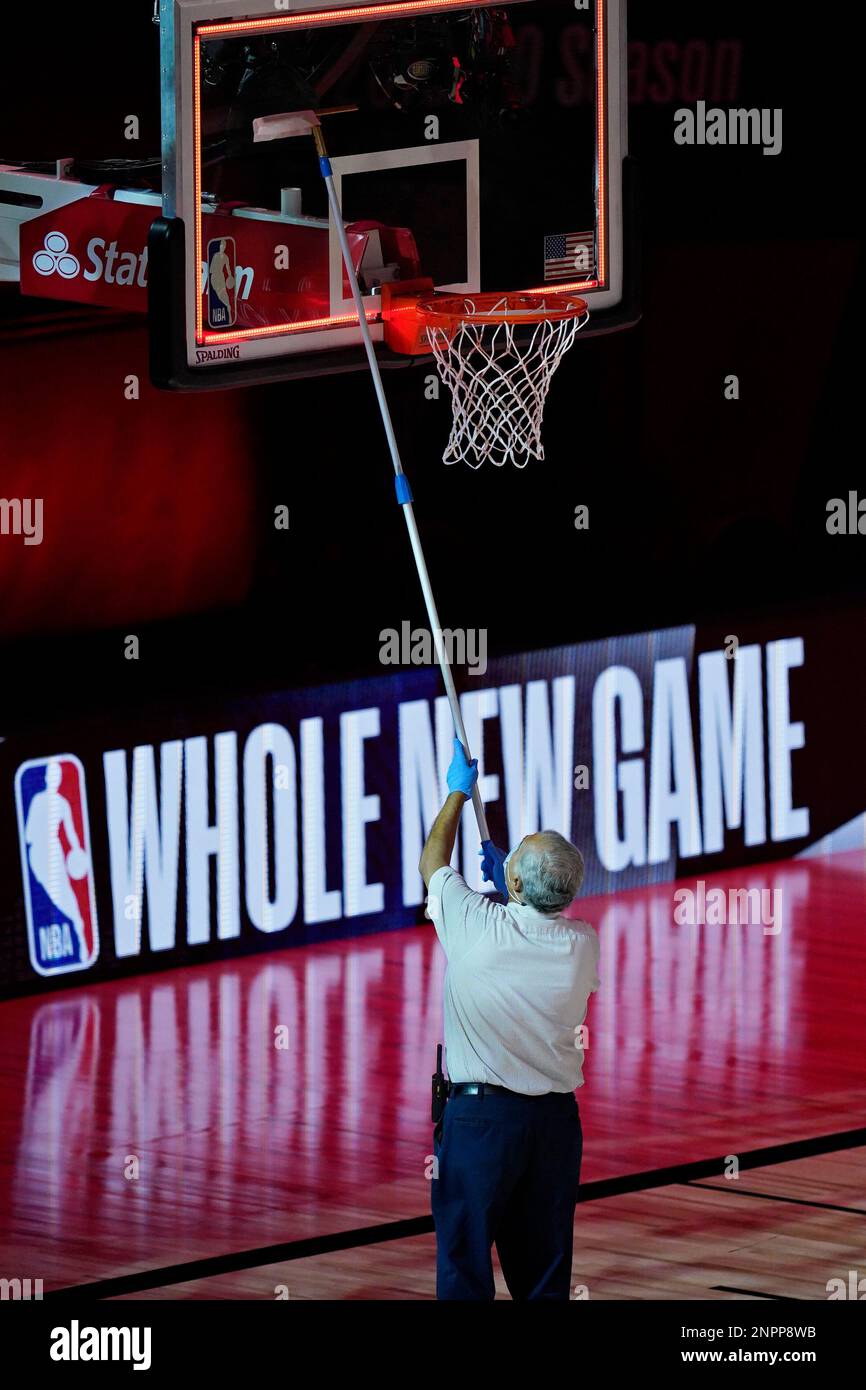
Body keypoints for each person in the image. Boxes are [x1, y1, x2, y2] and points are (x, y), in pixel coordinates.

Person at [420, 738, 600, 1301]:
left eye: (517, 854)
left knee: (464, 1269)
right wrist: (512, 887)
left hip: (481, 1123)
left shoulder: (476, 927)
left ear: (516, 886)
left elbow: (433, 863)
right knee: (543, 1278)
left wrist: (456, 793)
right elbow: (537, 922)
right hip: (553, 1129)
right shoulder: (582, 944)